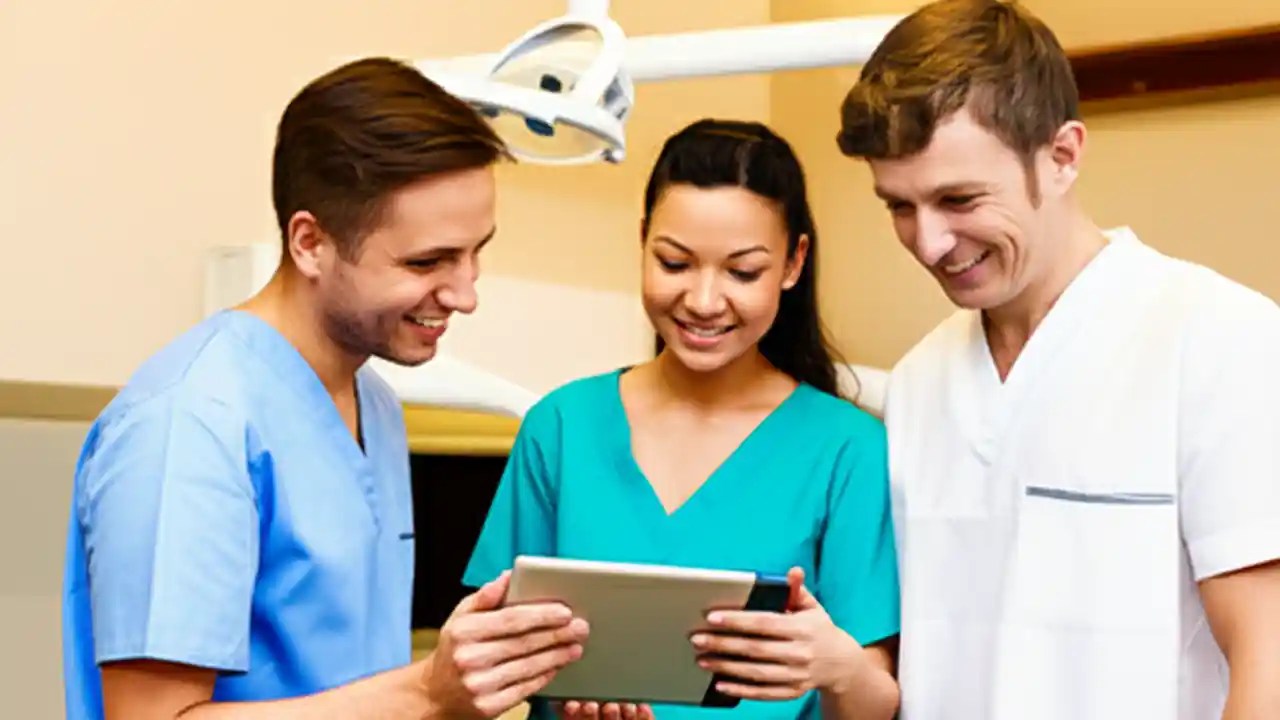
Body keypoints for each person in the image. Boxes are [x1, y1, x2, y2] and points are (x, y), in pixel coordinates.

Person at [61, 57, 590, 720]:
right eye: (426, 261)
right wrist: (428, 692)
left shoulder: (377, 406)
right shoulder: (188, 424)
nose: (465, 294)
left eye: (475, 251)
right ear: (310, 242)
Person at [835, 1, 1280, 718]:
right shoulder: (920, 381)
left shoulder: (1218, 340)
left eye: (959, 199)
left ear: (1063, 155)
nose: (929, 243)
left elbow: (1269, 663)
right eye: (899, 206)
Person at [463, 119, 902, 720]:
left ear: (794, 263)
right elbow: (481, 670)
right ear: (643, 241)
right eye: (674, 263)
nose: (701, 300)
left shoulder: (846, 450)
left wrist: (838, 666)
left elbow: (873, 704)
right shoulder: (562, 428)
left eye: (742, 272)